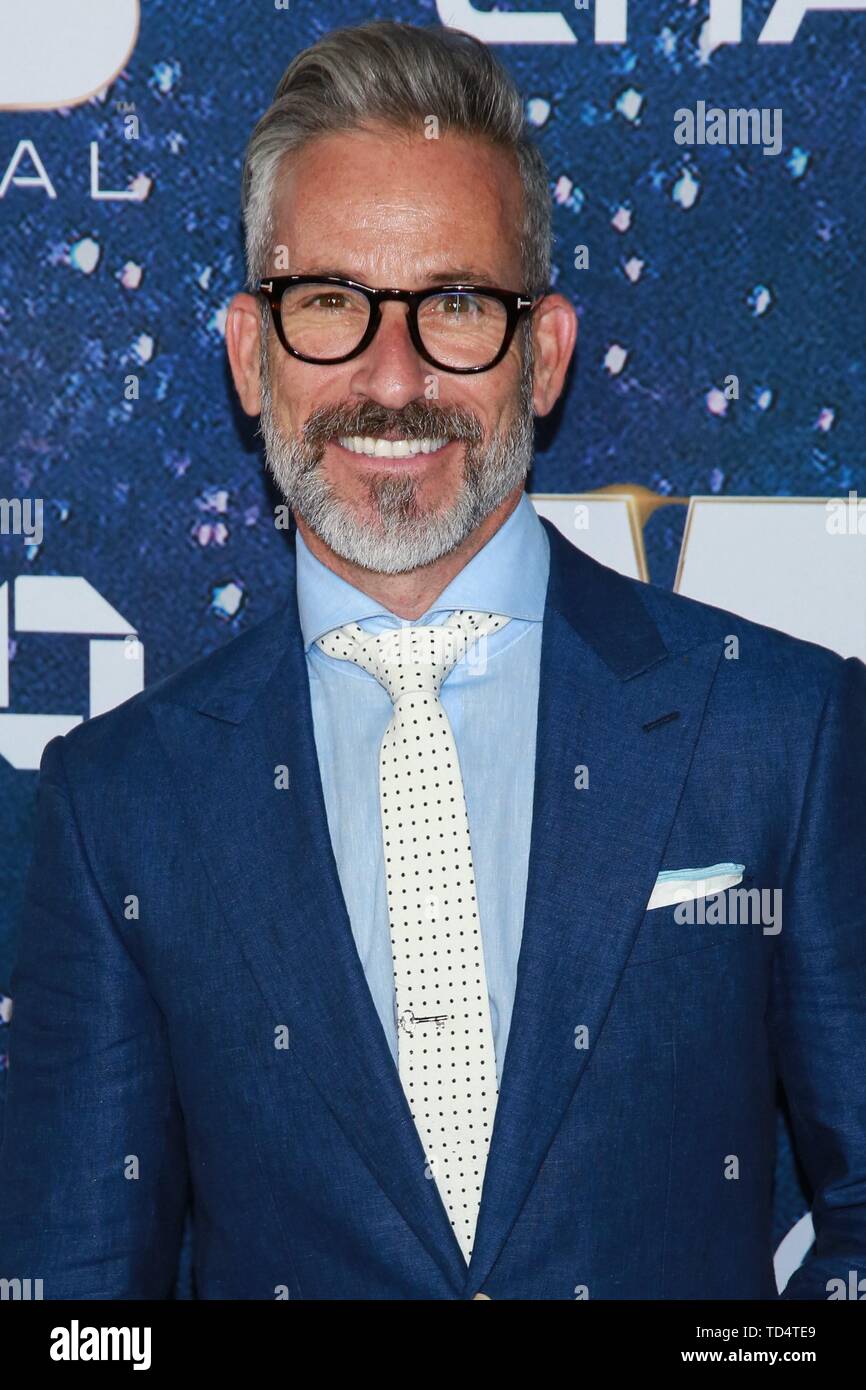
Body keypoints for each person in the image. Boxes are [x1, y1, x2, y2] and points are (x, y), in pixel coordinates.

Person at [0, 19, 864, 1301]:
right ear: (250, 355)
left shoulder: (780, 733)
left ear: (545, 352)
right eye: (330, 303)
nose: (390, 377)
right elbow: (76, 1320)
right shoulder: (120, 802)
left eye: (456, 303)